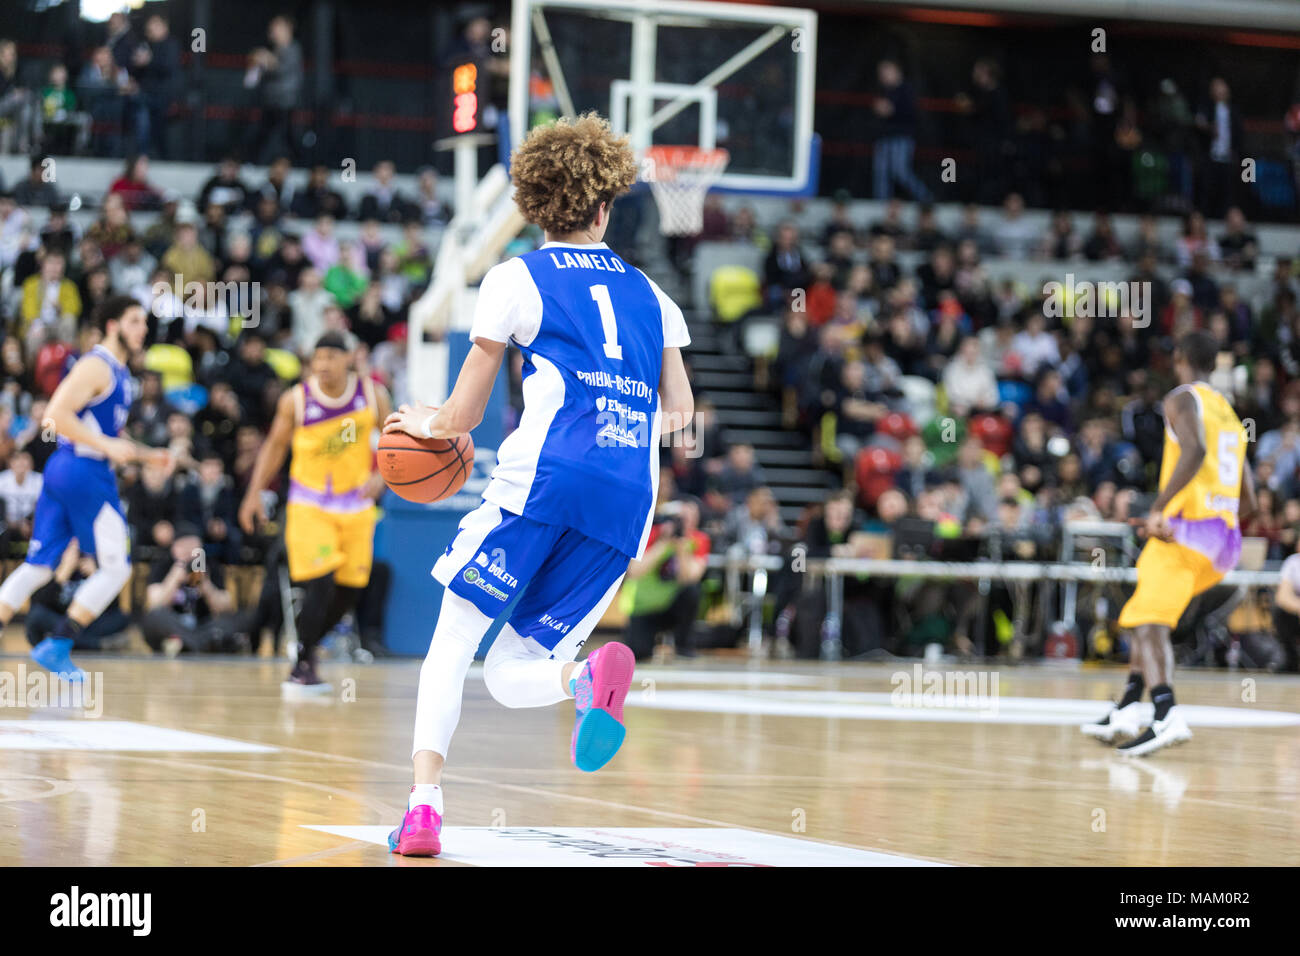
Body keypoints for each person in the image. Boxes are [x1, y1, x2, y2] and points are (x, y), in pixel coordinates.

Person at [380, 112, 693, 856]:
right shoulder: (653, 293)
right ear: (606, 203)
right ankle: (584, 683)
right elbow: (680, 419)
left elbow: (464, 416)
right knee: (516, 669)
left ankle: (423, 809)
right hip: (626, 499)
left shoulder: (515, 278)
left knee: (454, 641)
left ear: (532, 203)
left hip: (543, 480)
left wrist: (424, 422)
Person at [1081, 331, 1254, 755]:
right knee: (1142, 608)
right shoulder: (1229, 413)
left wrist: (1159, 508)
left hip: (1187, 532)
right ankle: (1126, 707)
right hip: (1224, 540)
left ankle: (1165, 713)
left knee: (1148, 622)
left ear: (1179, 357)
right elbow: (1248, 497)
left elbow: (1192, 451)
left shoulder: (1181, 397)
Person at [0, 296, 169, 679]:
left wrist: (148, 456)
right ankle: (59, 644)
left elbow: (105, 436)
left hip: (67, 469)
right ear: (112, 325)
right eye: (134, 321)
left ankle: (55, 643)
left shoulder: (121, 373)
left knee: (39, 568)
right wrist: (107, 446)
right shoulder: (98, 365)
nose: (143, 329)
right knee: (117, 570)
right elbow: (56, 415)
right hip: (84, 473)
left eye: (143, 322)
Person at [238, 332, 390, 690]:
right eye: (317, 358)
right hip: (309, 505)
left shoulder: (372, 394)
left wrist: (382, 476)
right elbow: (273, 448)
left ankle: (305, 653)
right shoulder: (297, 399)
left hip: (355, 506)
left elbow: (395, 439)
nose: (322, 364)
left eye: (330, 357)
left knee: (351, 589)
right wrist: (253, 495)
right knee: (319, 582)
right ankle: (303, 664)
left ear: (348, 358)